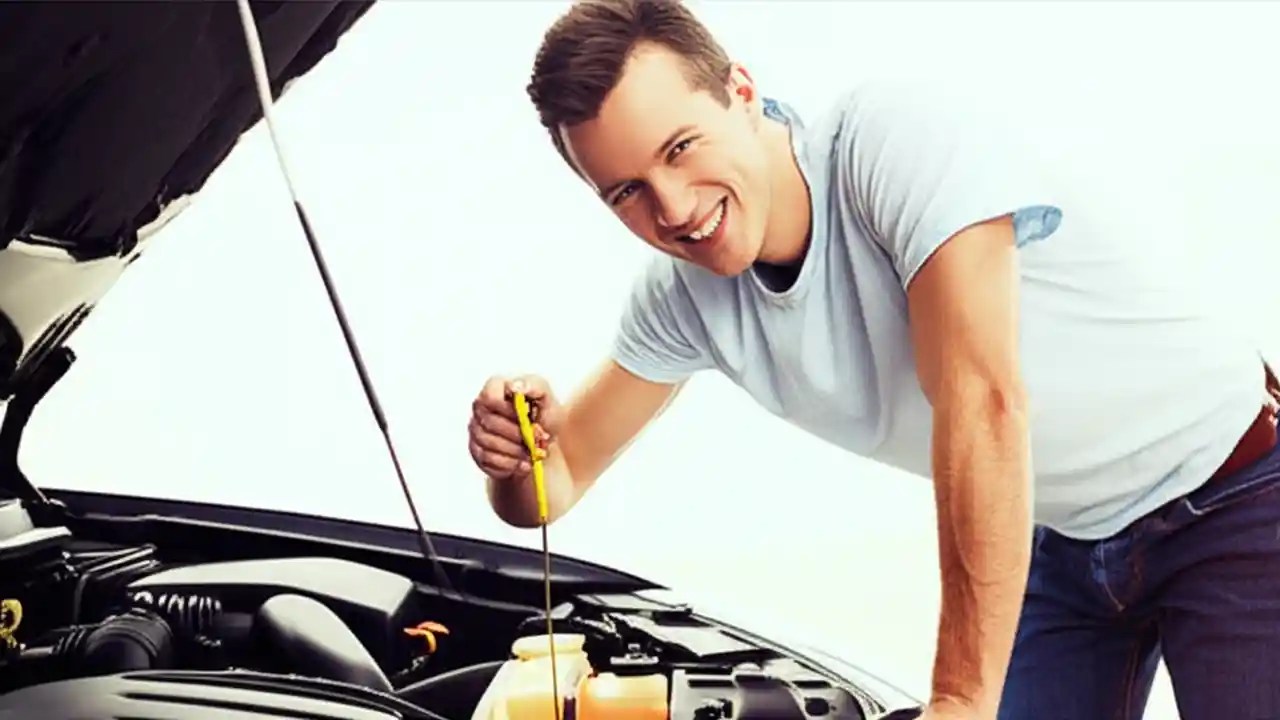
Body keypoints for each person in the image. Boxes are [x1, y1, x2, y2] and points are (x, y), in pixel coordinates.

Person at [465, 1, 1280, 718]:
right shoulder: (682, 297)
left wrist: (959, 702)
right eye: (625, 192)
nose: (672, 210)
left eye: (680, 149)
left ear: (741, 93)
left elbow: (983, 403)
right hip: (1063, 540)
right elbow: (550, 486)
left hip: (1235, 491)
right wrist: (514, 451)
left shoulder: (890, 145)